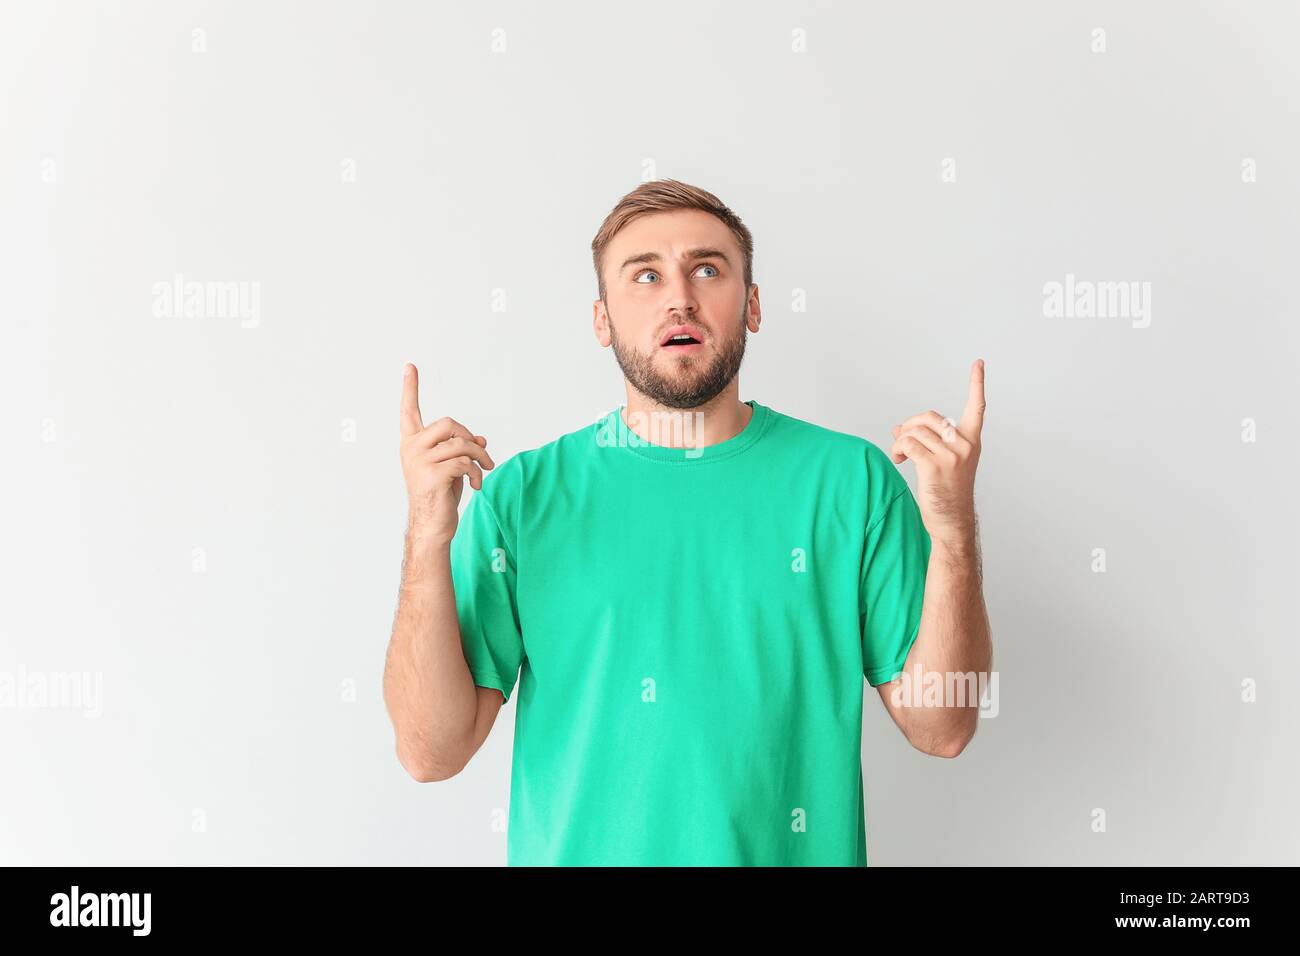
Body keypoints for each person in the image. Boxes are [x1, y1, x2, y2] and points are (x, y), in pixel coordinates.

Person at [382, 179, 993, 866]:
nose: (680, 296)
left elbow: (943, 727)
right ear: (602, 319)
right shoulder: (522, 496)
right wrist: (426, 539)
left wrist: (954, 531)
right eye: (645, 275)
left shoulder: (851, 483)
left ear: (752, 304)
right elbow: (431, 752)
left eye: (708, 268)